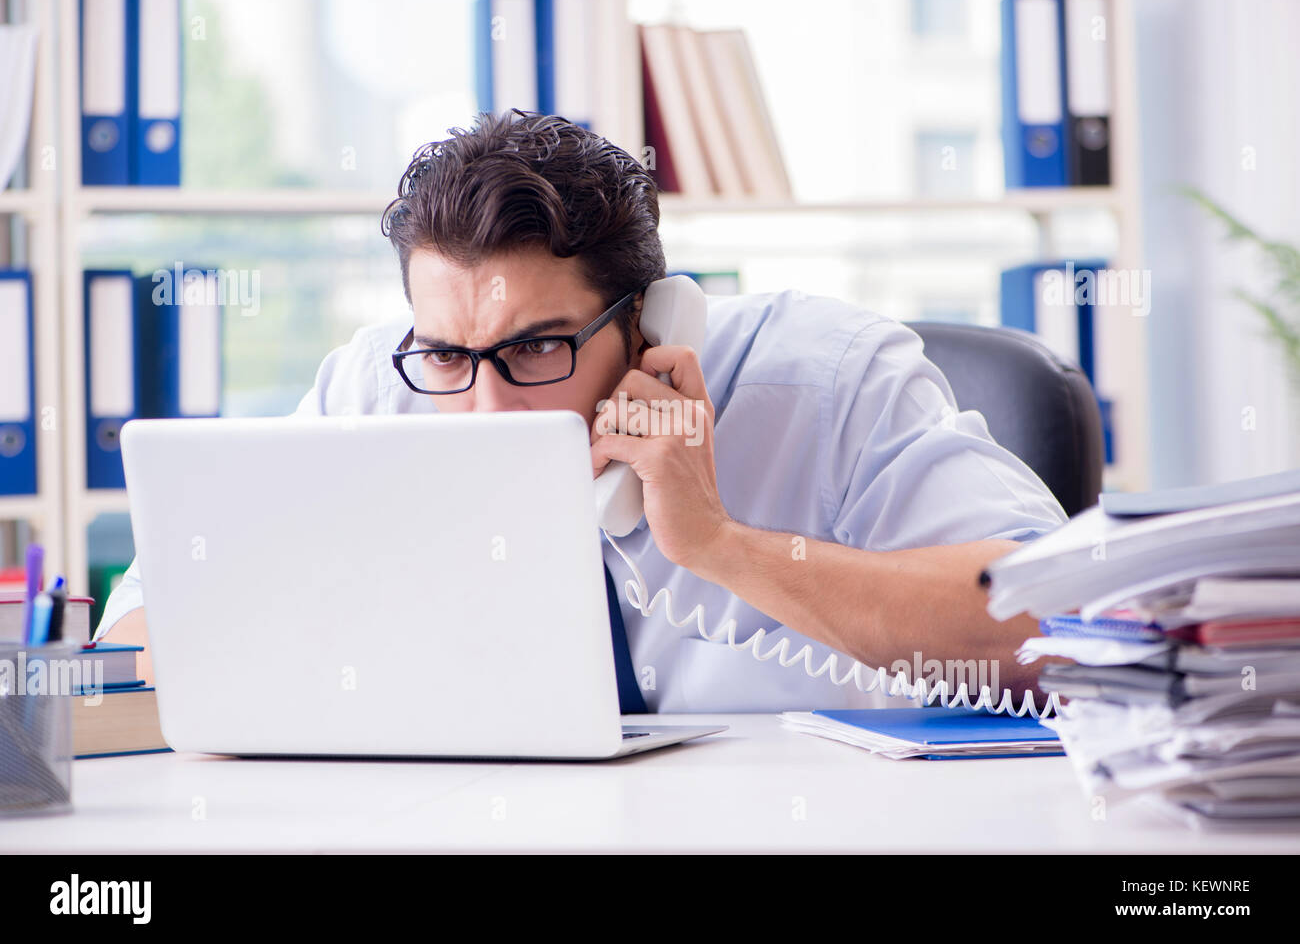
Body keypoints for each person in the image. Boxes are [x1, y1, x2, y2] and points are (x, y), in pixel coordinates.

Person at [97, 110, 1067, 712]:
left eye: (534, 349)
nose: (487, 414)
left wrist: (721, 547)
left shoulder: (829, 381)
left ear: (649, 327)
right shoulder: (384, 388)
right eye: (449, 354)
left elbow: (1063, 620)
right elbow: (147, 615)